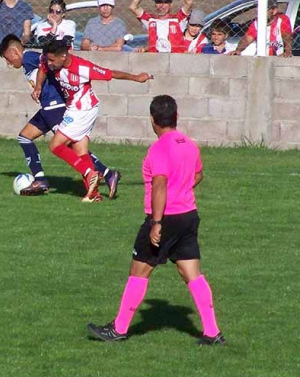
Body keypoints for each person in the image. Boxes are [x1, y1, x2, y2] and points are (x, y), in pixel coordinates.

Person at [87, 95, 226, 346]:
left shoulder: (160, 148)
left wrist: (157, 223)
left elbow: (160, 184)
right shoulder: (189, 144)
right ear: (176, 117)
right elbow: (198, 175)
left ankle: (118, 329)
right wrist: (181, 189)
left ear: (152, 120)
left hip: (166, 218)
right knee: (192, 273)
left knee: (139, 271)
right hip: (188, 216)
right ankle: (212, 332)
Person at [0, 34, 122, 198]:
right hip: (47, 108)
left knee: (72, 146)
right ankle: (41, 179)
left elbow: (47, 61)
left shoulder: (28, 57)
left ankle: (104, 175)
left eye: (7, 58)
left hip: (55, 107)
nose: (8, 63)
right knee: (25, 137)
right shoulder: (28, 62)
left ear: (14, 51)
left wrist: (40, 85)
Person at [34, 40, 152, 202]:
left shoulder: (83, 68)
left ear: (63, 56)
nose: (49, 63)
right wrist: (38, 87)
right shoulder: (52, 63)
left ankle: (90, 173)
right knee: (80, 151)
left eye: (52, 60)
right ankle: (94, 194)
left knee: (55, 145)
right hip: (76, 108)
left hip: (83, 109)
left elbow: (111, 73)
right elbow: (42, 68)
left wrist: (137, 78)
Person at [129, 0, 194, 53]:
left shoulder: (178, 19)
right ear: (155, 4)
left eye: (165, 2)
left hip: (175, 60)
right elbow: (133, 6)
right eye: (159, 2)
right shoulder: (150, 20)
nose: (162, 5)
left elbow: (189, 2)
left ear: (171, 5)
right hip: (156, 61)